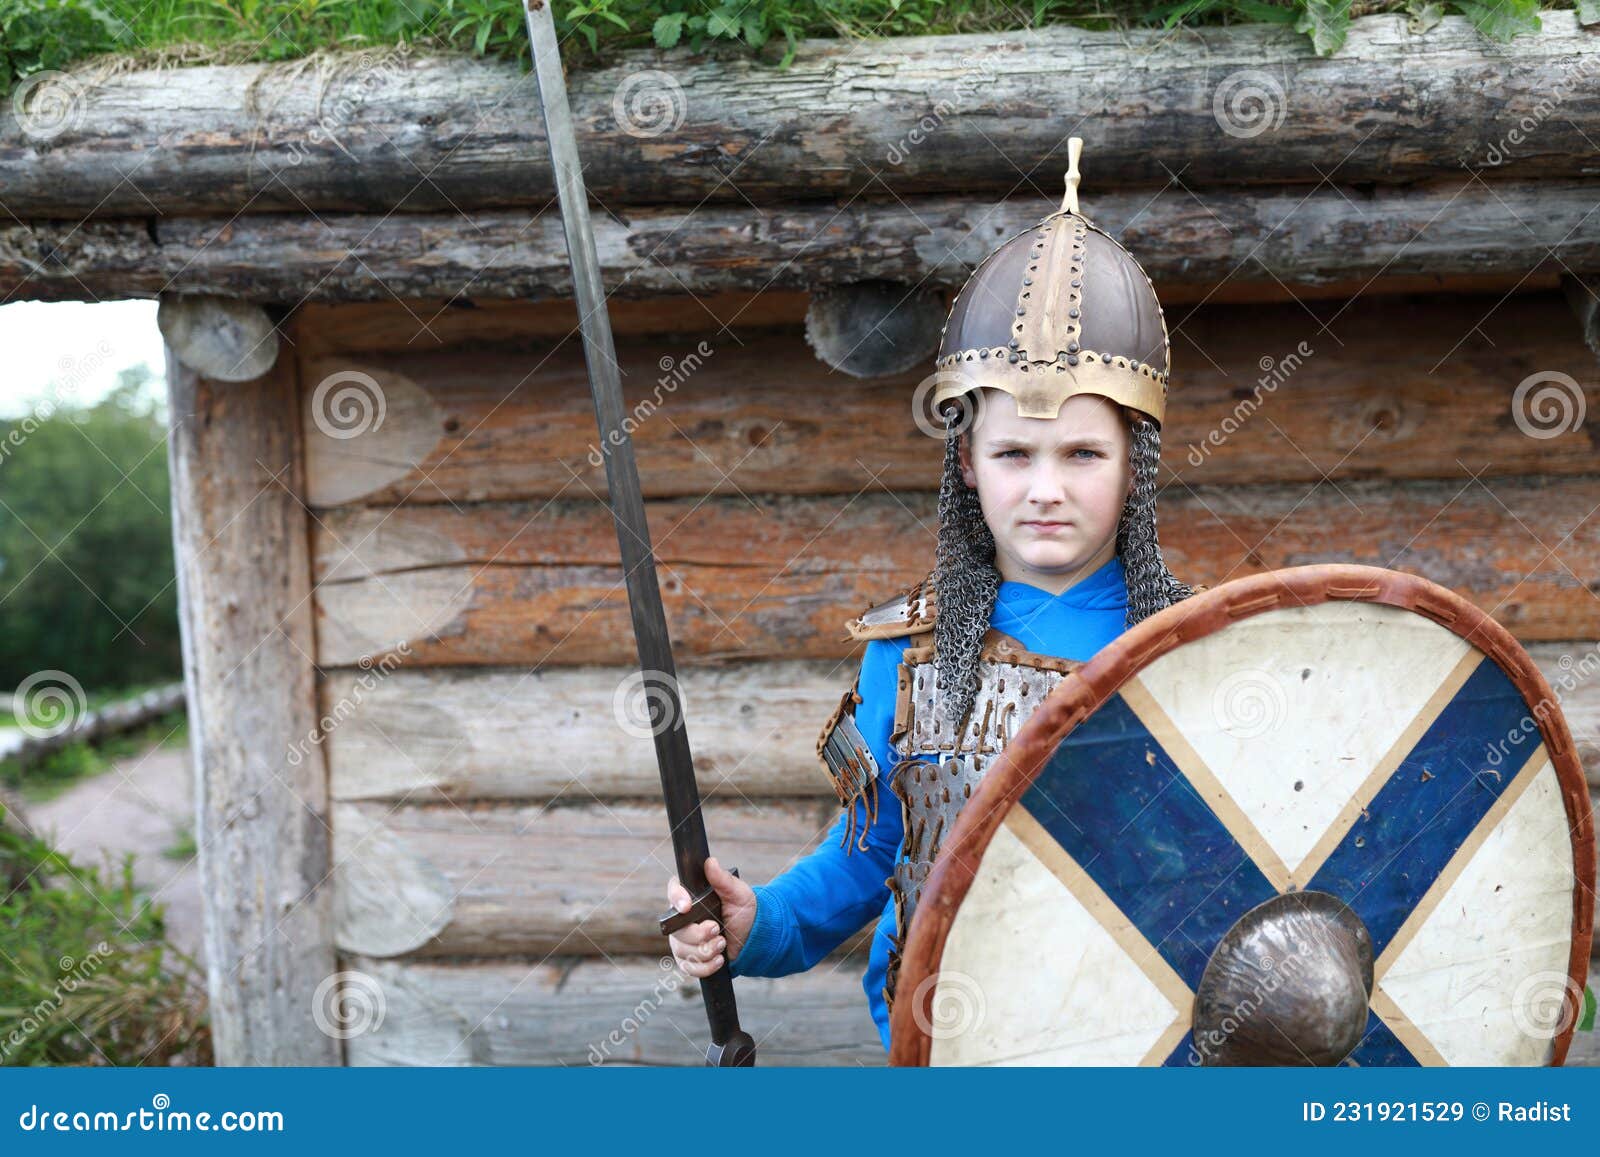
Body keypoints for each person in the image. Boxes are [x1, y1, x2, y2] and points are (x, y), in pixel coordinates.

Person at [666, 142, 1198, 1054]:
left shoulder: (1197, 645)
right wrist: (758, 924)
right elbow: (870, 859)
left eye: (1081, 454)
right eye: (1013, 454)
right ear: (966, 462)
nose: (1045, 489)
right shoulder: (906, 654)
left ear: (1135, 467)